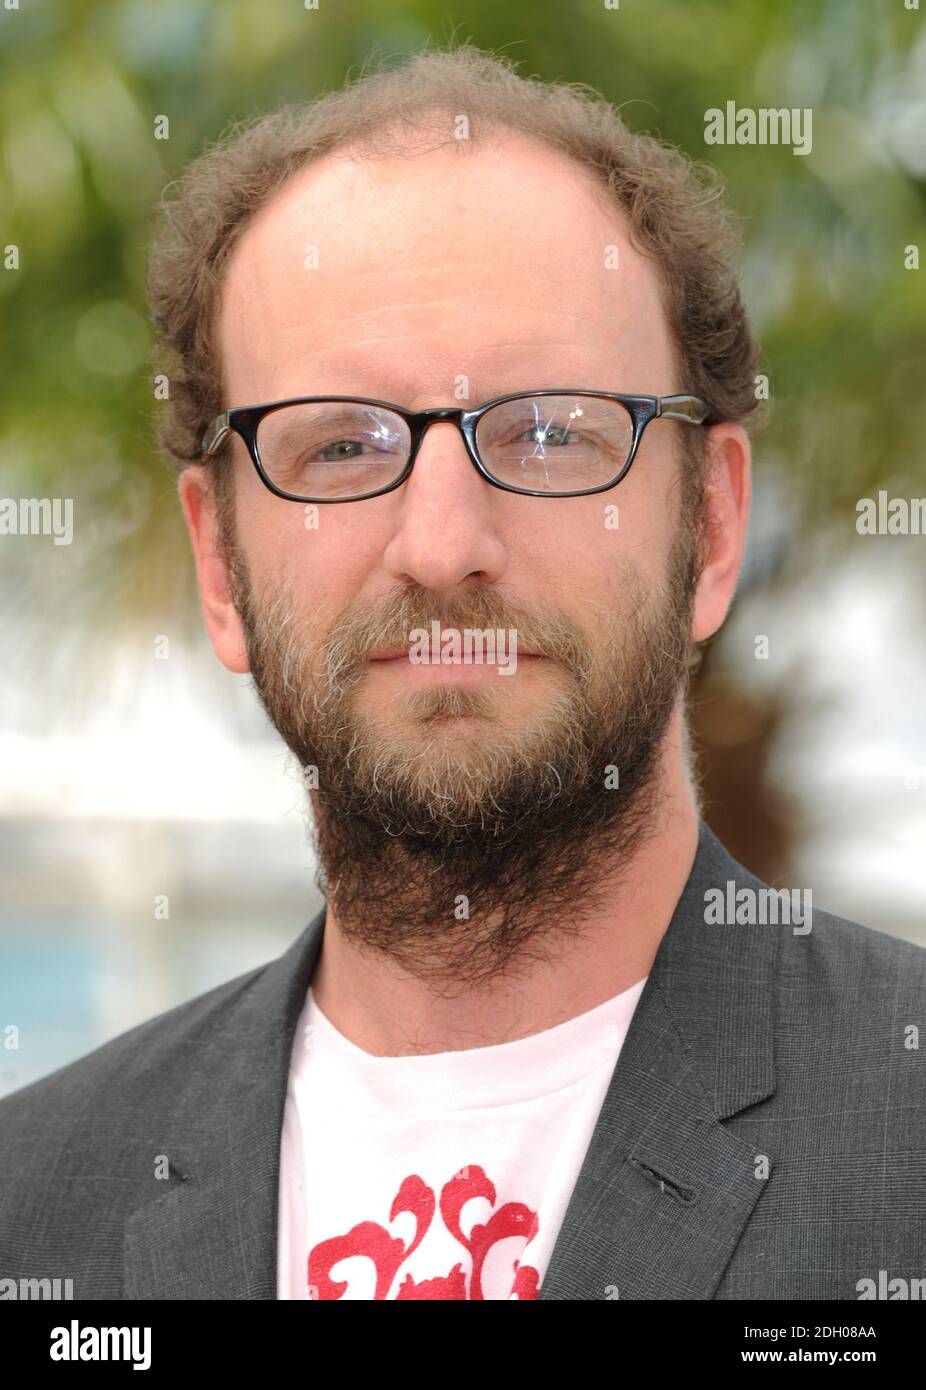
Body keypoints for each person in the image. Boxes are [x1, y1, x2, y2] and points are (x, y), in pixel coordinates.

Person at [1, 45, 923, 1302]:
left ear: (709, 525)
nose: (441, 546)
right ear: (217, 561)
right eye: (337, 446)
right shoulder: (30, 1205)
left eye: (549, 434)